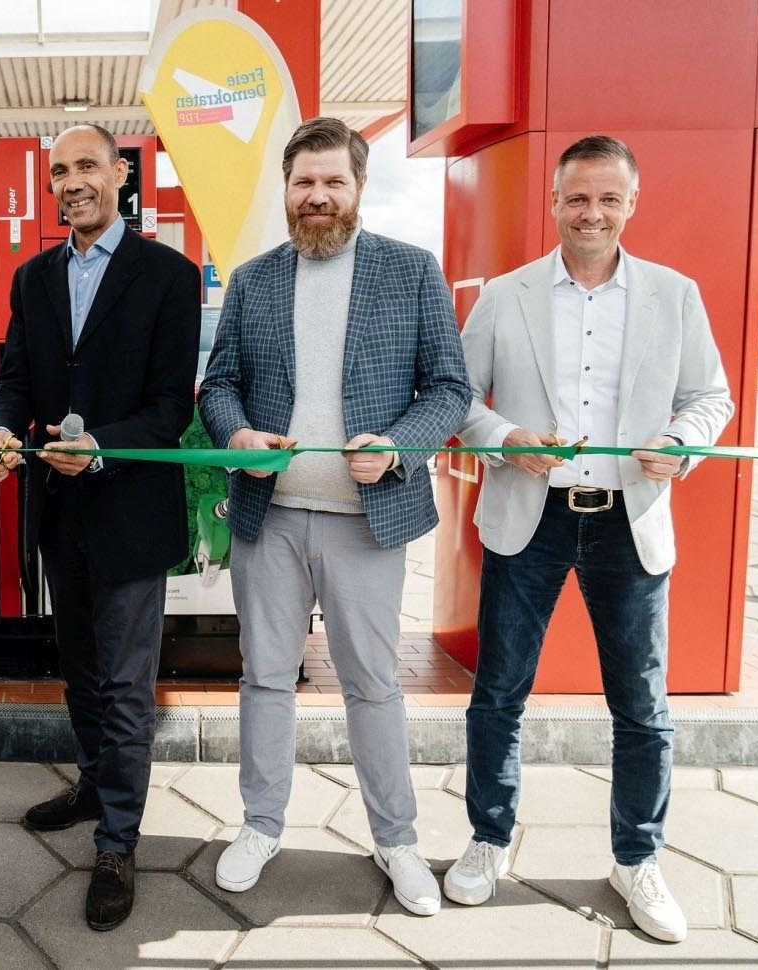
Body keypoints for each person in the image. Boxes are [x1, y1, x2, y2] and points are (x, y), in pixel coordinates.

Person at [444, 135, 733, 942]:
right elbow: (456, 397)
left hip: (628, 522)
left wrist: (682, 442)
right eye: (577, 198)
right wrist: (502, 435)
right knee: (498, 693)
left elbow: (712, 396)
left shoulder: (674, 295)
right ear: (554, 202)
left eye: (608, 198)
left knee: (641, 704)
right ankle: (486, 840)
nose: (591, 213)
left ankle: (635, 858)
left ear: (631, 204)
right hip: (527, 520)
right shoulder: (505, 295)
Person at [197, 117, 469, 916]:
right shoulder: (250, 279)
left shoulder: (411, 271)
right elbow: (219, 386)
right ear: (284, 190)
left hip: (366, 521)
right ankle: (260, 823)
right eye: (302, 183)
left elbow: (448, 389)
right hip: (269, 518)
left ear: (357, 188)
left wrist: (398, 447)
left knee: (373, 686)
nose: (317, 196)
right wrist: (237, 434)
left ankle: (397, 839)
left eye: (332, 182)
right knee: (264, 679)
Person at [0, 124, 199, 931]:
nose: (73, 181)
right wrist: (3, 431)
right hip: (57, 509)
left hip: (129, 509)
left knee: (124, 683)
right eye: (60, 171)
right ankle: (91, 779)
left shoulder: (167, 276)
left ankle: (116, 840)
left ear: (120, 174)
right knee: (74, 666)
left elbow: (173, 406)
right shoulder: (33, 276)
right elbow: (15, 382)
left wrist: (100, 448)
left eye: (87, 167)